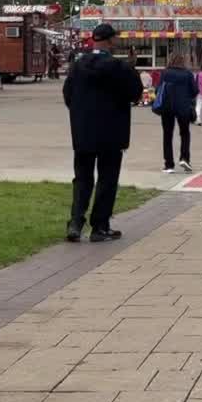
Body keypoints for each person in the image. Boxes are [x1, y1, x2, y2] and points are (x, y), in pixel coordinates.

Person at [62, 23, 142, 243]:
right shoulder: (119, 67)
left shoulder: (77, 66)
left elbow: (68, 94)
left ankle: (76, 223)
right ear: (110, 41)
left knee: (82, 178)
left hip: (83, 131)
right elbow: (135, 94)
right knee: (107, 179)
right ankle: (100, 226)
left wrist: (81, 114)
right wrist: (132, 68)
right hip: (112, 132)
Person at [157, 54, 198, 173]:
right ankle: (185, 158)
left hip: (167, 107)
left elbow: (158, 89)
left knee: (167, 135)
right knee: (185, 133)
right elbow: (194, 91)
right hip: (184, 107)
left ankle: (169, 164)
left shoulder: (165, 73)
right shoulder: (188, 74)